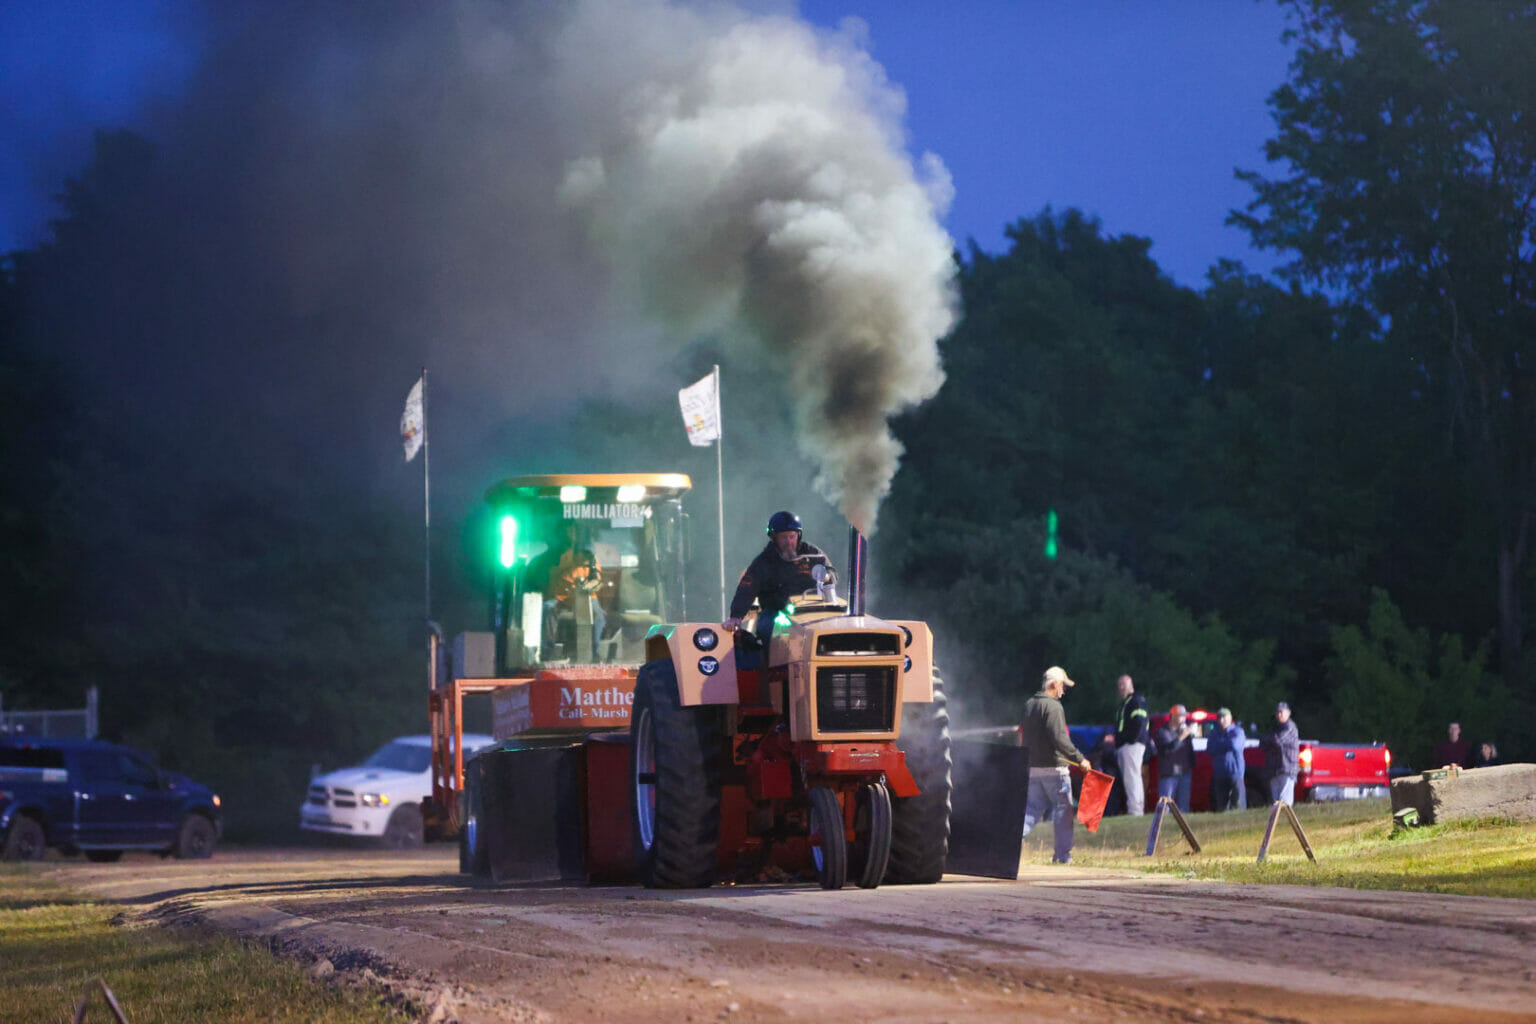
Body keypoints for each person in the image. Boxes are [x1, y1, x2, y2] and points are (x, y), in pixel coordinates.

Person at [722, 511, 835, 644]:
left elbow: (831, 574)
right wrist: (736, 616)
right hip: (777, 612)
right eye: (783, 537)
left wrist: (826, 576)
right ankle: (770, 663)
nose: (789, 542)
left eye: (792, 537)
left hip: (812, 612)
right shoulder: (764, 561)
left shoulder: (813, 554)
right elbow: (747, 589)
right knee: (770, 629)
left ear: (799, 536)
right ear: (774, 538)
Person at [1019, 666, 1092, 864]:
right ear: (1054, 684)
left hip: (1034, 769)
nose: (1063, 690)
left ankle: (1008, 844)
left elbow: (1023, 736)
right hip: (1055, 770)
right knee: (1063, 811)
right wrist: (1080, 759)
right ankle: (1062, 856)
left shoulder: (1029, 705)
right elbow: (1059, 738)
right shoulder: (1053, 707)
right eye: (1062, 686)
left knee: (1031, 811)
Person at [544, 547, 606, 658]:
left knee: (599, 615)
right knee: (547, 608)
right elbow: (554, 574)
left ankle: (594, 651)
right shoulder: (561, 555)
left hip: (587, 595)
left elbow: (597, 579)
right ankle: (548, 650)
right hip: (562, 596)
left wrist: (588, 587)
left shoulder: (592, 558)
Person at [1112, 673, 1150, 816]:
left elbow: (1139, 723)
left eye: (1123, 684)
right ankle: (1136, 809)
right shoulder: (1127, 703)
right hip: (1128, 746)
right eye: (1119, 685)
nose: (1121, 688)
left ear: (1131, 685)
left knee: (1132, 778)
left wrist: (1129, 740)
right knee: (1133, 777)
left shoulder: (1135, 701)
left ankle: (1135, 810)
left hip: (1131, 746)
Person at [1153, 704, 1196, 812]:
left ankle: (1182, 829)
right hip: (1168, 776)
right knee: (1165, 809)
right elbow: (1168, 750)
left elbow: (1190, 750)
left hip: (1185, 774)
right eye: (1181, 716)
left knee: (1184, 808)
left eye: (1185, 716)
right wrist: (1182, 736)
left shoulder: (1184, 731)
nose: (1184, 719)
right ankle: (1163, 828)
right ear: (1172, 716)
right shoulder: (1162, 732)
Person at [1207, 707, 1247, 811]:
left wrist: (1219, 744)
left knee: (1238, 804)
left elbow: (1235, 745)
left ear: (1230, 718)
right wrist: (1226, 743)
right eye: (1219, 718)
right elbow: (1210, 748)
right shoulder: (1214, 733)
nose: (1221, 720)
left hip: (1235, 773)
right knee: (1222, 807)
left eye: (1224, 717)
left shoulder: (1238, 731)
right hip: (1220, 774)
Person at [1262, 701, 1300, 806]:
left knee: (1284, 803)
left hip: (1287, 769)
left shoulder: (1291, 728)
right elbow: (1263, 744)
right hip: (1274, 770)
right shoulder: (1274, 728)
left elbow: (1279, 741)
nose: (1279, 715)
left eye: (1281, 712)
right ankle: (1278, 822)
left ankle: (1285, 822)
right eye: (1277, 712)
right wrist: (1271, 740)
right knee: (1276, 804)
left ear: (1288, 713)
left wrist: (1270, 740)